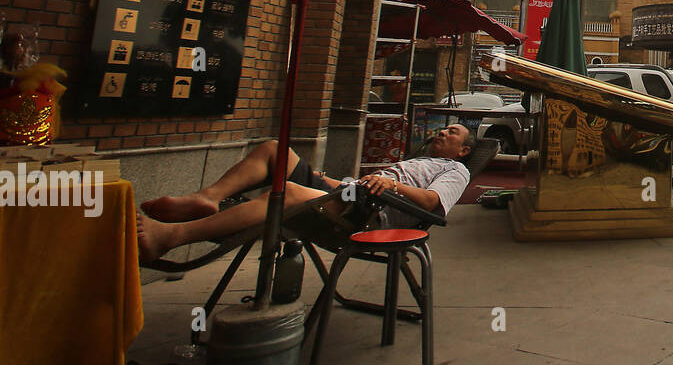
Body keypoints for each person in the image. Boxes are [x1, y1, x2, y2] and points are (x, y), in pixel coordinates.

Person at [136, 124, 473, 263]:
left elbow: (433, 203)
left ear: (464, 150)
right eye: (444, 128)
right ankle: (208, 198)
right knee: (274, 150)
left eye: (453, 132)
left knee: (286, 194)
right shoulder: (420, 160)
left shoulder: (456, 171)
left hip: (372, 215)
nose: (443, 131)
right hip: (350, 195)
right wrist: (328, 180)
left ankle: (172, 237)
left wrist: (392, 185)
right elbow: (357, 187)